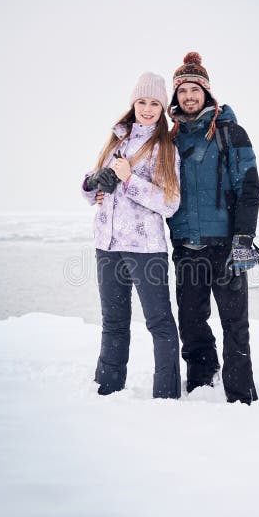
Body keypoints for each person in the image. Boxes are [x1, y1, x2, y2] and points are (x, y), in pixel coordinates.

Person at [166, 52, 259, 404]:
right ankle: (201, 389)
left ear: (206, 93)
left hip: (226, 247)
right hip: (187, 246)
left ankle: (240, 397)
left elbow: (249, 189)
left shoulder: (229, 132)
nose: (189, 96)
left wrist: (243, 239)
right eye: (182, 91)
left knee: (235, 326)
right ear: (175, 97)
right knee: (191, 325)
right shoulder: (170, 138)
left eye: (195, 89)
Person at [81, 72, 181, 399]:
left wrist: (129, 181)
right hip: (107, 244)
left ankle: (166, 395)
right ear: (133, 104)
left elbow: (170, 202)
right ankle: (107, 389)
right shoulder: (117, 140)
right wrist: (92, 184)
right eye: (142, 102)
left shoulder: (166, 148)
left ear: (163, 107)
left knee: (159, 323)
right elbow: (92, 188)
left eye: (155, 103)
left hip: (145, 248)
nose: (148, 108)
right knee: (113, 321)